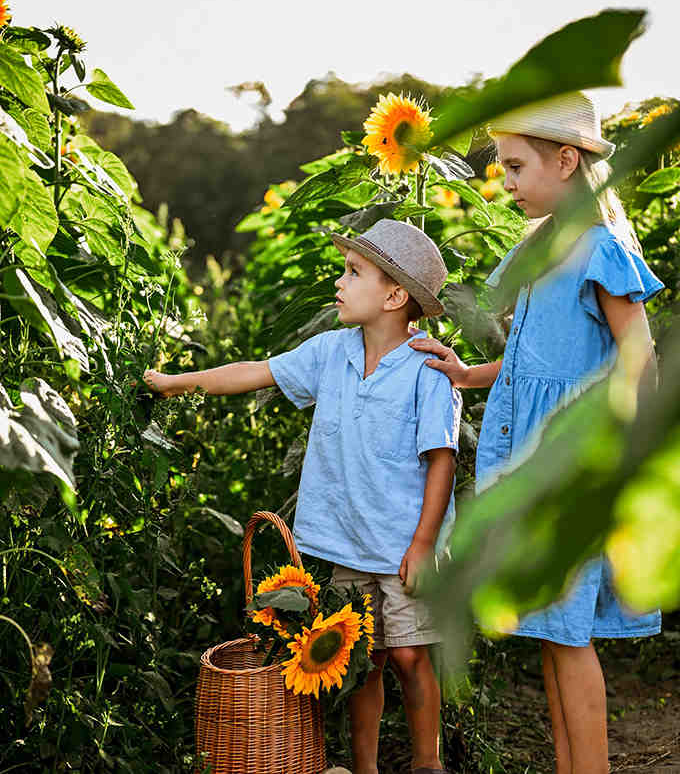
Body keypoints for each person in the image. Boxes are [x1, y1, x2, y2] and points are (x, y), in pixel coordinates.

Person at [144, 219, 462, 774]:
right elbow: (256, 372)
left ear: (394, 296)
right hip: (348, 545)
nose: (339, 282)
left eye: (353, 272)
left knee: (411, 656)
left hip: (405, 545)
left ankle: (427, 765)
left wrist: (424, 543)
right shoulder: (330, 351)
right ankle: (365, 768)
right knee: (362, 662)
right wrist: (178, 382)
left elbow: (442, 460)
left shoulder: (427, 369)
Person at [409, 92, 664, 774]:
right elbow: (531, 361)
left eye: (516, 166)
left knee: (570, 638)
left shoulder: (601, 250)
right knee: (551, 633)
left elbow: (639, 360)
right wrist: (469, 373)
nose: (507, 182)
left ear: (567, 158)